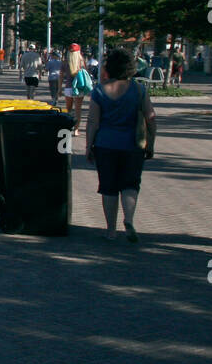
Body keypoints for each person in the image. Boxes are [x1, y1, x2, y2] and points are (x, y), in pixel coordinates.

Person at [86, 48, 156, 243]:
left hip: (105, 145)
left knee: (108, 187)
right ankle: (129, 220)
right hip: (132, 145)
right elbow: (151, 117)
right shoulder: (139, 90)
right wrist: (151, 142)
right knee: (130, 185)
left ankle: (110, 231)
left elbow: (93, 122)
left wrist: (88, 146)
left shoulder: (99, 91)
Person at [63, 44, 89, 136]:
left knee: (69, 109)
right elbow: (86, 73)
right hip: (79, 87)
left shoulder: (65, 62)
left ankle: (68, 127)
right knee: (78, 110)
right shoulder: (82, 62)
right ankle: (76, 129)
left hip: (68, 88)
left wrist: (59, 89)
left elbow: (61, 76)